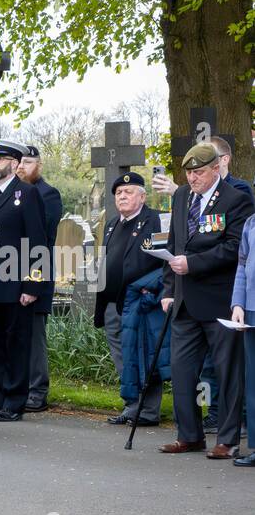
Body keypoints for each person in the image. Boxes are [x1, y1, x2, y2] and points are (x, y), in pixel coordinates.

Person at [158, 142, 255, 457]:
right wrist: (169, 289)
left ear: (216, 168)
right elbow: (175, 243)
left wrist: (194, 264)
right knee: (181, 369)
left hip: (220, 300)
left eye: (198, 172)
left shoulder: (236, 200)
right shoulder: (181, 197)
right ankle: (189, 434)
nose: (192, 178)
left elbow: (234, 248)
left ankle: (226, 440)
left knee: (227, 372)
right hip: (185, 301)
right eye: (188, 172)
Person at [0, 138, 48, 422]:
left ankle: (14, 401)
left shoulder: (27, 194)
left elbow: (37, 242)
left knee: (16, 343)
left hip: (15, 282)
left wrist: (32, 285)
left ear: (15, 164)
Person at [95, 173, 165, 427]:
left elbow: (164, 262)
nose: (123, 196)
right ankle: (132, 406)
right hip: (113, 303)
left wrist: (153, 290)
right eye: (119, 193)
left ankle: (147, 411)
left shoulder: (155, 220)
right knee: (122, 356)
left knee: (145, 355)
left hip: (142, 303)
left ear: (143, 196)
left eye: (129, 192)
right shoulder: (112, 224)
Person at [17, 145, 63, 412]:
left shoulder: (48, 194)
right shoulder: (16, 193)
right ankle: (17, 388)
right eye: (19, 163)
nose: (23, 167)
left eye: (28, 162)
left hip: (36, 272)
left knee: (34, 337)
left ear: (39, 165)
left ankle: (37, 391)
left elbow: (40, 239)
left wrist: (34, 279)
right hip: (10, 273)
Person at [231, 200, 255, 465]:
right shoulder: (251, 223)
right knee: (253, 382)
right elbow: (242, 266)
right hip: (250, 310)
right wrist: (238, 303)